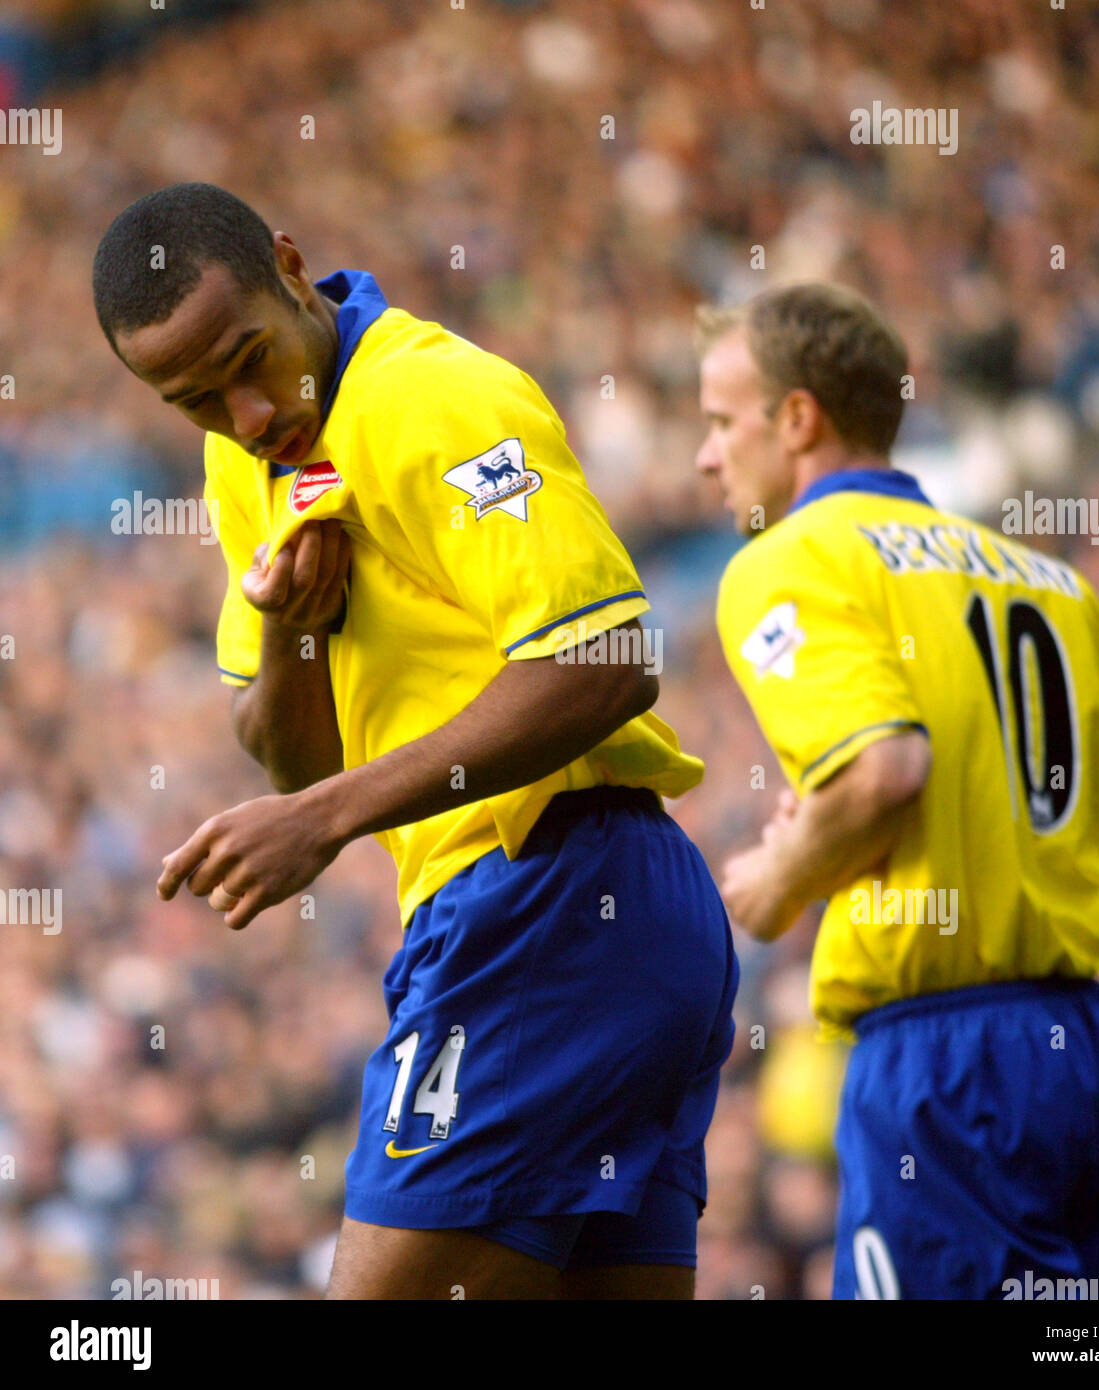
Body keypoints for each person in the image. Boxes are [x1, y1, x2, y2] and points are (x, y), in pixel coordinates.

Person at [92, 182, 738, 1300]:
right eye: (194, 401)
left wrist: (328, 817)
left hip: (554, 895)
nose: (245, 415)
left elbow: (607, 659)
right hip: (554, 920)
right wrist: (297, 638)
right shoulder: (244, 466)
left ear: (291, 268)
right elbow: (293, 756)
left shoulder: (430, 397)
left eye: (250, 361)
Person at [692, 282, 1099, 1300]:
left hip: (948, 1061)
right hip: (1089, 1051)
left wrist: (779, 875)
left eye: (719, 421)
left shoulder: (788, 559)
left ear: (795, 418)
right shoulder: (1047, 578)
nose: (703, 455)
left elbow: (884, 769)